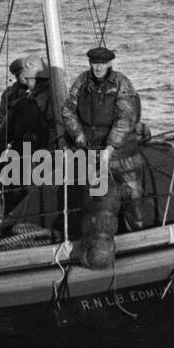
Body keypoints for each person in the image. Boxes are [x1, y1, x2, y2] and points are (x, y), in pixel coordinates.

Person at [62, 45, 147, 232]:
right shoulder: (82, 81)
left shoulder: (121, 83)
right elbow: (68, 109)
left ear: (109, 64)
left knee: (132, 196)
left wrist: (110, 148)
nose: (97, 68)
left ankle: (137, 234)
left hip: (122, 155)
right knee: (96, 202)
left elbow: (125, 119)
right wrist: (78, 133)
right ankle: (99, 240)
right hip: (92, 152)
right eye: (94, 63)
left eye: (101, 64)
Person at [0, 54, 57, 156]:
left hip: (41, 146)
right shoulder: (12, 94)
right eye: (19, 75)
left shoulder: (42, 94)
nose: (22, 78)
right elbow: (5, 120)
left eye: (25, 75)